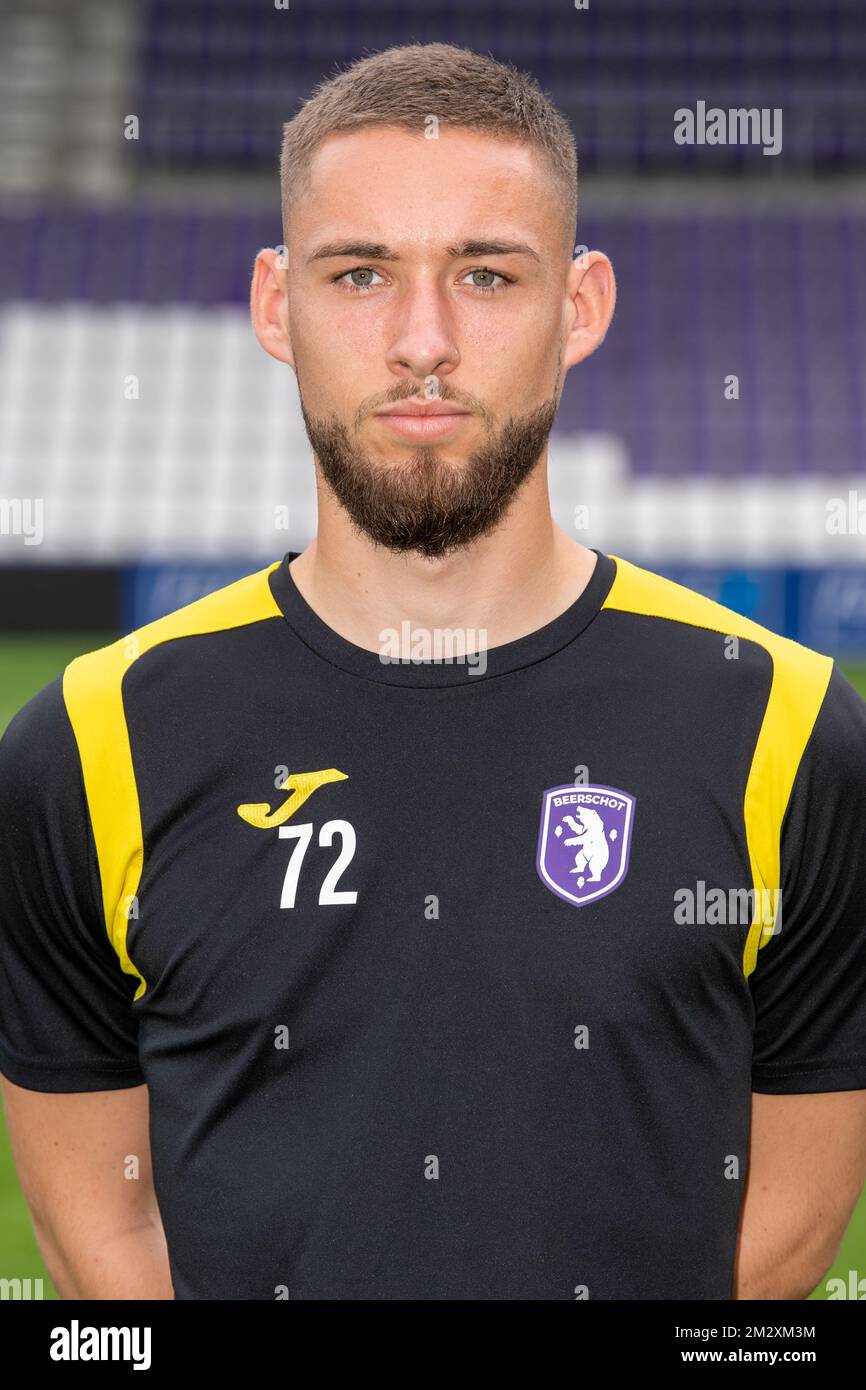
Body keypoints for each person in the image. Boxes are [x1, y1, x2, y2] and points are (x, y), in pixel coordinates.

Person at [1, 41, 865, 1302]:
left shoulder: (785, 728)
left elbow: (784, 1229)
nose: (422, 341)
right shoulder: (87, 743)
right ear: (272, 303)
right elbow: (103, 1246)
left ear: (579, 306)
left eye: (484, 273)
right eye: (358, 273)